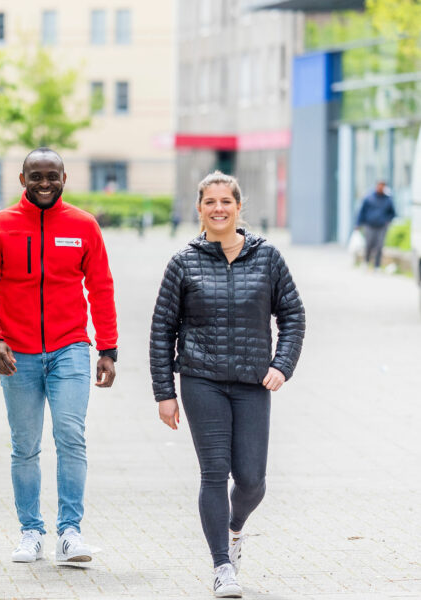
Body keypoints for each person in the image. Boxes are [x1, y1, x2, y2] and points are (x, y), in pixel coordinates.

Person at [149, 171, 305, 598]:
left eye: (226, 201)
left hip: (254, 383)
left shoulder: (267, 257)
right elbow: (162, 329)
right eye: (210, 201)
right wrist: (165, 393)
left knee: (252, 480)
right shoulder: (183, 262)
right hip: (202, 381)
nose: (218, 208)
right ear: (199, 208)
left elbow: (293, 315)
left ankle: (235, 530)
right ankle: (222, 566)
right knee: (215, 473)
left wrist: (282, 365)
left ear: (239, 207)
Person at [0, 147, 118, 566]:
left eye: (53, 176)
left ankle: (70, 532)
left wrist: (108, 348)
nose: (45, 184)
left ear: (65, 178)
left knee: (71, 437)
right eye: (37, 176)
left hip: (70, 348)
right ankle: (30, 531)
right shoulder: (0, 226)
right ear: (22, 180)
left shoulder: (83, 226)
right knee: (25, 445)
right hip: (17, 354)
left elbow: (101, 288)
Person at [355, 180, 396, 269]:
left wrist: (387, 221)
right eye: (379, 186)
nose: (380, 188)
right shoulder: (369, 198)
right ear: (376, 186)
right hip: (369, 225)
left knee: (379, 246)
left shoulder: (388, 199)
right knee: (369, 244)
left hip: (381, 226)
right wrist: (358, 224)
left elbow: (392, 213)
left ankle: (377, 266)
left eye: (382, 186)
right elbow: (362, 212)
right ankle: (366, 262)